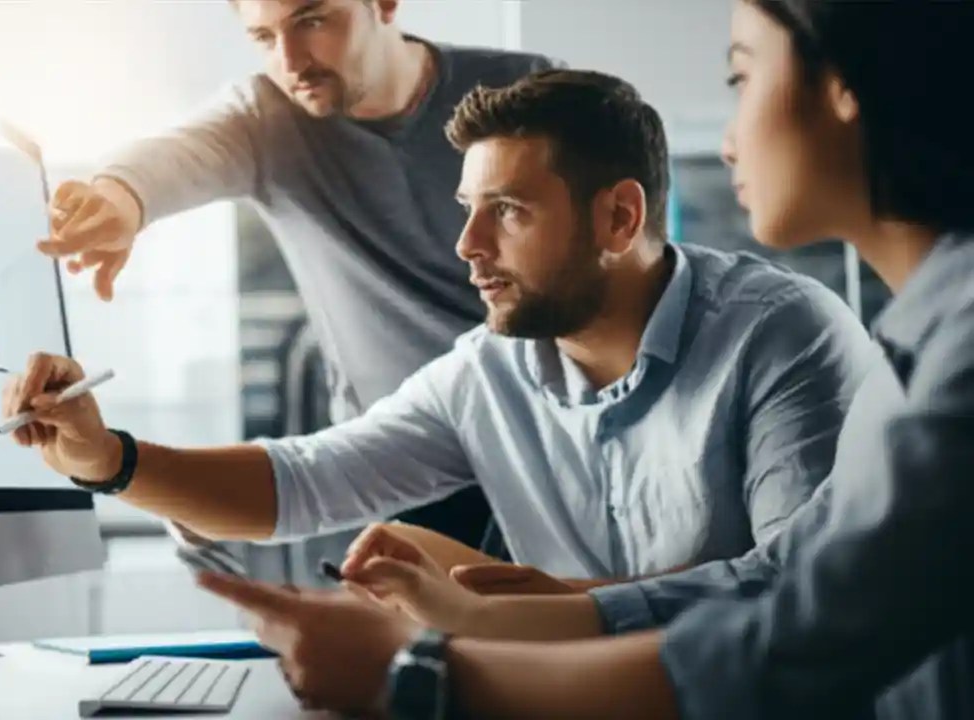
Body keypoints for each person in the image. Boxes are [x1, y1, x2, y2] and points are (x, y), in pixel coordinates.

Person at [196, 1, 974, 718]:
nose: (729, 137)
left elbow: (787, 646)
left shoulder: (936, 362)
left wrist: (422, 672)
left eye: (742, 75)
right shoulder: (918, 358)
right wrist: (487, 616)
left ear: (843, 86)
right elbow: (794, 593)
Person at [6, 69, 876, 588]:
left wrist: (557, 609)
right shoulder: (487, 373)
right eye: (469, 209)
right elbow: (306, 483)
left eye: (506, 211)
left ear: (618, 219)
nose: (467, 247)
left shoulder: (785, 338)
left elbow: (800, 596)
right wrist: (105, 458)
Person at [38, 0, 557, 551]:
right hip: (396, 468)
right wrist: (118, 200)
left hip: (546, 445)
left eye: (313, 21)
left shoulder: (519, 90)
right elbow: (174, 156)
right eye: (264, 37)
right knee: (431, 633)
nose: (291, 61)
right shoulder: (268, 116)